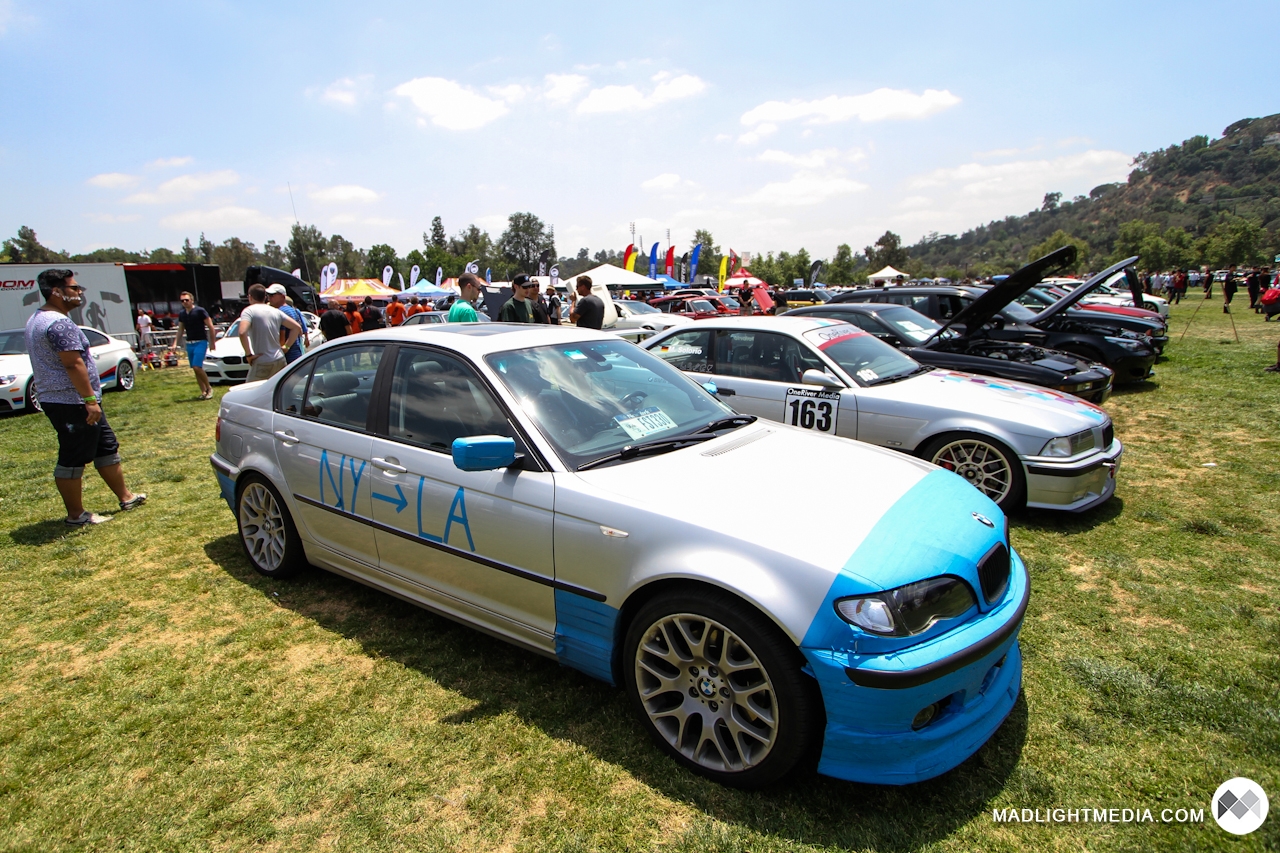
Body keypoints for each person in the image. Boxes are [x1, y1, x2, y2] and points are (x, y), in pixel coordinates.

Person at [25, 269, 146, 526]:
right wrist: (89, 401)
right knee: (73, 455)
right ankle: (76, 515)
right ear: (56, 292)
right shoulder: (57, 322)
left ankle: (126, 497)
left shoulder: (38, 319)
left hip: (71, 399)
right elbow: (73, 364)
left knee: (105, 445)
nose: (79, 292)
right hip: (71, 402)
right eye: (74, 288)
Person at [238, 283, 301, 382]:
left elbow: (242, 332)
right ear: (265, 297)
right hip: (279, 359)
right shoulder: (276, 311)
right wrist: (286, 347)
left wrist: (248, 355)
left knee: (251, 392)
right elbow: (296, 327)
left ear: (250, 297)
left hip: (262, 360)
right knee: (278, 390)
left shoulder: (248, 311)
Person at [169, 291, 217, 399]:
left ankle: (209, 388)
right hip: (189, 343)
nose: (185, 302)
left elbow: (211, 326)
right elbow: (180, 329)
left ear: (192, 300)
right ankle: (203, 391)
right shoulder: (182, 314)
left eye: (187, 300)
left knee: (197, 366)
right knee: (195, 369)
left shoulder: (200, 311)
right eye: (182, 301)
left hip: (201, 341)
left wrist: (212, 342)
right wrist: (175, 343)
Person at [266, 284, 306, 363]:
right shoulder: (291, 309)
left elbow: (282, 337)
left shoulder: (281, 312)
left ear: (282, 296)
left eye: (272, 295)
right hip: (295, 354)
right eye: (268, 295)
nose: (269, 297)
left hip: (288, 357)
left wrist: (285, 347)